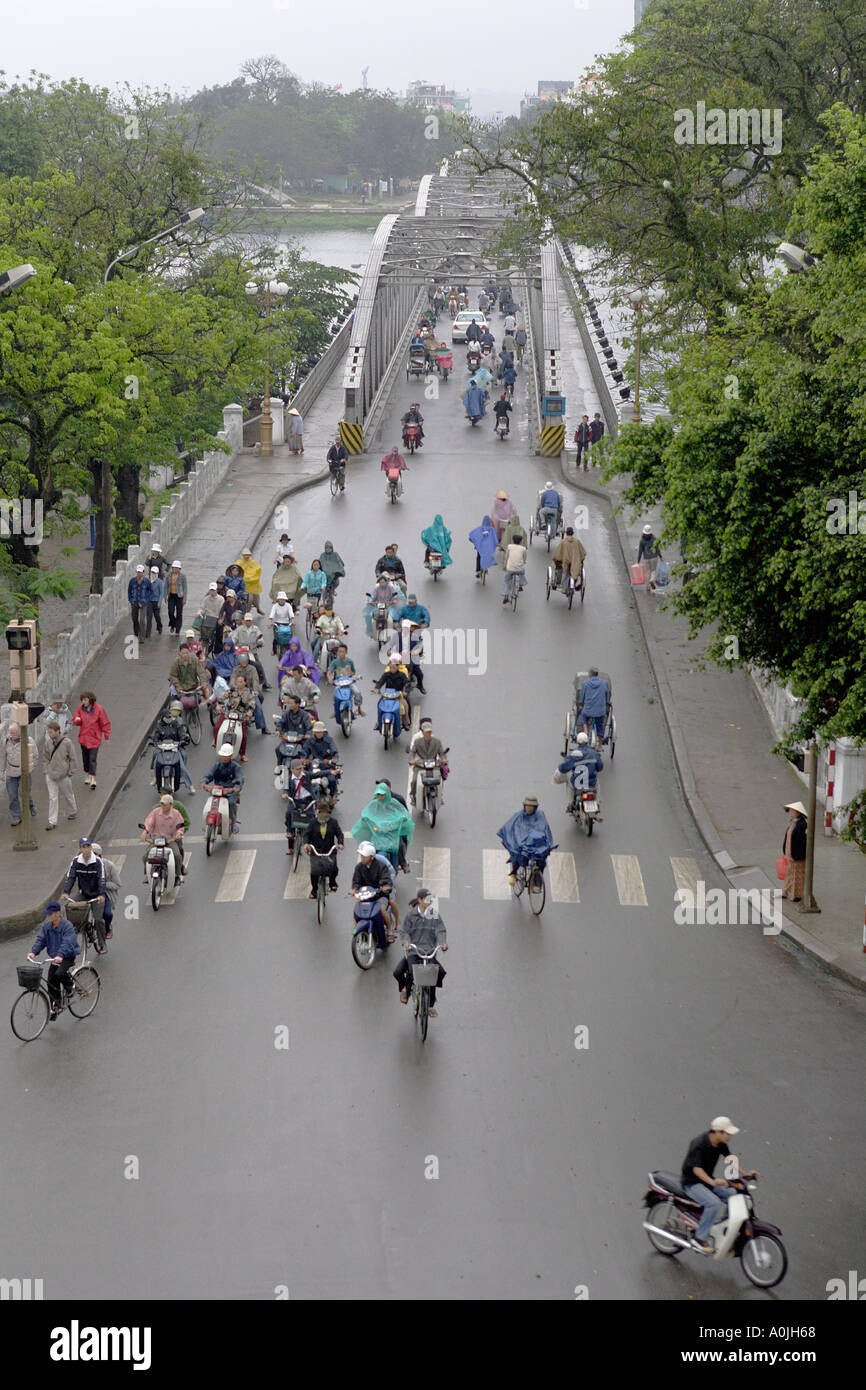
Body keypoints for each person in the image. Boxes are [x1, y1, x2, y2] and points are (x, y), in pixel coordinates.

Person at [681, 1118, 757, 1254]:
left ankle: (723, 1230)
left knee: (733, 1195)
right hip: (692, 1183)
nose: (730, 1136)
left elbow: (730, 1159)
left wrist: (746, 1174)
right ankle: (699, 1238)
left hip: (707, 1181)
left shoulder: (721, 1143)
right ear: (717, 1132)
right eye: (728, 1133)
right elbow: (696, 1170)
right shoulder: (699, 1144)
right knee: (713, 1203)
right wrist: (712, 1182)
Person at [394, 889, 448, 1014]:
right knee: (411, 973)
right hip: (414, 950)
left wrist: (442, 943)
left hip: (429, 951)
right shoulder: (410, 915)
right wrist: (406, 942)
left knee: (437, 973)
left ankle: (430, 1004)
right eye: (426, 899)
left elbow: (440, 930)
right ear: (419, 900)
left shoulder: (434, 914)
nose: (429, 901)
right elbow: (404, 931)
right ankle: (406, 992)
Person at [27, 903, 79, 1019]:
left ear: (57, 914)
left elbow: (67, 942)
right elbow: (41, 940)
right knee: (50, 980)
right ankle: (56, 1006)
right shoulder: (47, 927)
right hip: (55, 957)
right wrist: (33, 952)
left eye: (50, 914)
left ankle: (71, 986)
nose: (48, 917)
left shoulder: (67, 926)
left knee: (60, 973)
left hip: (67, 955)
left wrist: (61, 955)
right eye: (47, 915)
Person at [351, 782, 414, 872]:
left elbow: (403, 813)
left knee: (400, 844)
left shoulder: (394, 803)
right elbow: (367, 813)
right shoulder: (373, 804)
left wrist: (402, 819)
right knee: (369, 845)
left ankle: (403, 863)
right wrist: (365, 819)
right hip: (378, 832)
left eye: (382, 795)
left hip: (392, 832)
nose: (380, 797)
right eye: (378, 794)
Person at [61, 836, 107, 949]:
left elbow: (101, 879)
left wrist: (101, 894)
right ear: (80, 849)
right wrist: (66, 892)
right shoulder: (76, 861)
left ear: (91, 848)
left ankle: (102, 943)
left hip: (97, 895)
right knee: (71, 911)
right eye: (83, 847)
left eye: (88, 846)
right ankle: (69, 943)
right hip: (83, 893)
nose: (86, 849)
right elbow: (71, 877)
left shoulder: (97, 862)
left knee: (98, 919)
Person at [497, 797, 556, 885]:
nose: (529, 808)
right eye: (527, 806)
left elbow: (544, 828)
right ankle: (513, 874)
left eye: (531, 806)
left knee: (541, 860)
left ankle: (537, 883)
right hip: (522, 842)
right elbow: (516, 831)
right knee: (517, 853)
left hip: (537, 843)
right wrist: (521, 842)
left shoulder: (540, 815)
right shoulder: (519, 816)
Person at [351, 842, 395, 949]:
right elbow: (356, 882)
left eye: (364, 856)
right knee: (357, 911)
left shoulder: (381, 866)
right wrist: (354, 890)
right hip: (366, 896)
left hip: (380, 895)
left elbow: (387, 880)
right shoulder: (359, 868)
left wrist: (384, 888)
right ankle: (358, 929)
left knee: (382, 909)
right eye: (361, 856)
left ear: (371, 857)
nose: (362, 858)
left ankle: (389, 930)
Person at [141, 792, 187, 882]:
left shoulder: (176, 814)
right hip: (156, 840)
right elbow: (149, 822)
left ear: (171, 804)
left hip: (170, 841)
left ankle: (177, 875)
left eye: (165, 804)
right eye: (161, 803)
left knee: (177, 856)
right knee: (145, 856)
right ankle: (147, 874)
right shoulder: (155, 812)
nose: (162, 806)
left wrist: (179, 833)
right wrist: (144, 832)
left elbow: (180, 826)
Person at [149, 700, 194, 792]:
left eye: (169, 717)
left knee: (182, 764)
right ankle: (155, 776)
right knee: (155, 756)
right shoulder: (159, 726)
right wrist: (155, 742)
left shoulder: (177, 724)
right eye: (166, 717)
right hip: (162, 749)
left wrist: (183, 740)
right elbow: (156, 736)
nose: (168, 718)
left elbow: (182, 734)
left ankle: (190, 785)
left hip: (175, 748)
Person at [0, 720, 38, 825]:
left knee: (23, 792)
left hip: (24, 772)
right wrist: (2, 773)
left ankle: (31, 805)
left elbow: (35, 756)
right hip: (11, 772)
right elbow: (3, 757)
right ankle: (16, 816)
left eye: (14, 733)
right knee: (12, 795)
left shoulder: (28, 740)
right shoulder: (6, 741)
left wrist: (31, 768)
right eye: (10, 733)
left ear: (20, 732)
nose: (12, 736)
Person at [41, 719, 77, 829]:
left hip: (63, 775)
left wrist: (70, 772)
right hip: (51, 775)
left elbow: (73, 758)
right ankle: (52, 821)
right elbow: (45, 758)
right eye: (48, 732)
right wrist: (46, 771)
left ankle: (73, 811)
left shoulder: (67, 743)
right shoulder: (48, 743)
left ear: (58, 731)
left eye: (51, 732)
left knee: (68, 794)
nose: (49, 734)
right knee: (53, 798)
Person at [303, 801, 344, 895]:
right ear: (319, 812)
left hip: (329, 850)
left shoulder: (333, 822)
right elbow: (306, 834)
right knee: (314, 872)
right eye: (323, 812)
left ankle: (332, 882)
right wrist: (306, 844)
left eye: (327, 813)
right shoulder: (313, 822)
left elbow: (339, 834)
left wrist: (340, 843)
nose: (325, 814)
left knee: (334, 869)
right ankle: (314, 890)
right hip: (316, 850)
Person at [200, 744, 244, 832]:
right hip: (218, 789)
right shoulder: (217, 765)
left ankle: (233, 823)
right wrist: (204, 781)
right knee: (209, 803)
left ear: (230, 756)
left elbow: (239, 778)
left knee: (231, 803)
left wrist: (237, 786)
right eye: (222, 756)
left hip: (230, 790)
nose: (224, 758)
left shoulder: (236, 767)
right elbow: (210, 774)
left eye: (226, 756)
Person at [71, 691, 110, 790]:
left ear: (90, 699)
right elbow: (75, 719)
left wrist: (106, 736)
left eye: (85, 700)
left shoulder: (99, 709)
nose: (83, 702)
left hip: (94, 739)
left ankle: (93, 778)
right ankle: (88, 773)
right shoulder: (80, 708)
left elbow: (105, 723)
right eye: (82, 700)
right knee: (86, 759)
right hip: (84, 738)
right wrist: (77, 720)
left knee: (92, 758)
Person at [555, 732, 604, 811]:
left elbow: (563, 768)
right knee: (597, 783)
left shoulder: (574, 754)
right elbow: (600, 767)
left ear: (577, 742)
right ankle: (597, 803)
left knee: (569, 780)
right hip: (591, 783)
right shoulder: (594, 753)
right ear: (587, 741)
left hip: (577, 784)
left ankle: (570, 803)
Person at [408, 718, 447, 807]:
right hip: (420, 765)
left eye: (430, 732)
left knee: (440, 779)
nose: (428, 734)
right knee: (414, 781)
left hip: (433, 765)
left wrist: (443, 759)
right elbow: (412, 752)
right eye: (426, 732)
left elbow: (441, 753)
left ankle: (440, 795)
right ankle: (413, 795)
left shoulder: (437, 742)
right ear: (422, 731)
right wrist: (411, 760)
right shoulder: (417, 742)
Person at [214, 680, 256, 760]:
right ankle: (216, 741)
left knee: (243, 736)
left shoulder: (249, 693)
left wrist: (250, 712)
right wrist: (219, 705)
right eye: (238, 682)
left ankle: (242, 754)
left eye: (241, 682)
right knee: (217, 728)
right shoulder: (232, 690)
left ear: (245, 682)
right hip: (228, 712)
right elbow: (222, 697)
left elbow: (252, 703)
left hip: (241, 715)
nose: (239, 683)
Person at [282, 757, 315, 853]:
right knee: (289, 814)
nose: (300, 771)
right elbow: (286, 789)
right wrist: (285, 794)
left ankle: (312, 844)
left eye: (301, 769)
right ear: (291, 769)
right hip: (295, 801)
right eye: (297, 769)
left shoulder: (306, 775)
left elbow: (317, 774)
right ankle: (290, 841)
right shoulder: (288, 779)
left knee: (312, 818)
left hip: (307, 801)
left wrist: (331, 772)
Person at [373, 653, 411, 732]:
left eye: (394, 666)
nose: (392, 668)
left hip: (398, 695)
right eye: (391, 666)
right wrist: (377, 688)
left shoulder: (402, 675)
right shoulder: (386, 674)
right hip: (387, 695)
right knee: (379, 704)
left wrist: (405, 691)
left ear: (398, 666)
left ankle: (406, 722)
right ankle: (378, 722)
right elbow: (380, 681)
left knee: (405, 705)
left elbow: (407, 683)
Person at [90, 843, 122, 936]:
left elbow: (117, 884)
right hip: (89, 893)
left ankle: (107, 928)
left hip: (105, 894)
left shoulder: (109, 866)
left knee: (107, 914)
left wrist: (103, 884)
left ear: (99, 855)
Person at [301, 720, 341, 797]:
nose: (319, 733)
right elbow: (304, 751)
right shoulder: (310, 741)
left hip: (327, 765)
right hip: (314, 765)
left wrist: (335, 758)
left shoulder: (329, 740)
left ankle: (332, 796)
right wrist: (303, 758)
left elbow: (334, 749)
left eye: (320, 732)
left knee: (331, 780)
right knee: (305, 779)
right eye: (317, 732)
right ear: (314, 732)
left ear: (323, 732)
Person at [326, 643, 365, 718]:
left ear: (346, 652)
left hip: (349, 683)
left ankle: (359, 709)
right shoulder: (335, 662)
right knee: (334, 696)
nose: (340, 653)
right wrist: (330, 679)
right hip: (339, 684)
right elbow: (329, 672)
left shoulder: (350, 661)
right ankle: (335, 711)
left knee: (357, 692)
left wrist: (349, 675)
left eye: (342, 651)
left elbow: (353, 672)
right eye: (339, 651)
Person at [782, 800, 808, 902]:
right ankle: (786, 891)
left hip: (797, 855)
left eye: (791, 811)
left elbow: (803, 841)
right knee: (789, 873)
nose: (790, 813)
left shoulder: (803, 824)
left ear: (798, 812)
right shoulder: (793, 823)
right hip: (790, 853)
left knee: (797, 875)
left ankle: (796, 895)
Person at [578, 668, 611, 743]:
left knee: (583, 717)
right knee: (600, 725)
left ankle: (585, 732)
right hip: (600, 711)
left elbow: (582, 697)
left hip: (588, 710)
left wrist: (582, 703)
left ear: (590, 674)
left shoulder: (585, 683)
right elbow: (607, 696)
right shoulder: (604, 683)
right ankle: (599, 745)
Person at [500, 531, 527, 604]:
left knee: (506, 581)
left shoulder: (509, 546)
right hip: (519, 569)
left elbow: (506, 556)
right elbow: (524, 558)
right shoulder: (523, 548)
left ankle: (506, 596)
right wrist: (524, 562)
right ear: (520, 541)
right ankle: (521, 584)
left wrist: (505, 564)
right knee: (522, 573)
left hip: (510, 569)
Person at [236, 548, 264, 615]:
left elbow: (258, 572)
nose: (246, 556)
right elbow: (237, 573)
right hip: (244, 586)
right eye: (245, 555)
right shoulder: (238, 563)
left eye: (248, 555)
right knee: (249, 599)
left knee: (257, 598)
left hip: (253, 585)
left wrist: (251, 578)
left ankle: (258, 608)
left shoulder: (254, 563)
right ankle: (247, 612)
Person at [127, 565, 152, 640]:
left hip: (143, 602)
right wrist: (130, 600)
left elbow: (150, 591)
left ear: (143, 572)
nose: (139, 574)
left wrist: (146, 600)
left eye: (140, 572)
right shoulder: (132, 581)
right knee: (134, 618)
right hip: (134, 602)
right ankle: (136, 632)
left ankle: (142, 636)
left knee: (142, 619)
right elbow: (129, 591)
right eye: (138, 572)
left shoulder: (147, 581)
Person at [637, 524, 663, 591]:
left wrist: (638, 561)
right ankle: (652, 580)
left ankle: (647, 586)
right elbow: (657, 549)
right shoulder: (654, 539)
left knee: (647, 572)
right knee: (653, 571)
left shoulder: (642, 540)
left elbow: (640, 551)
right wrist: (660, 556)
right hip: (654, 557)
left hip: (646, 558)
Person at [165, 560, 187, 634]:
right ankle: (173, 624)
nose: (175, 569)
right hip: (171, 595)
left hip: (179, 596)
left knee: (179, 613)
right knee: (170, 611)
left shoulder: (182, 576)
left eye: (177, 568)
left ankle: (178, 629)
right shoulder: (168, 576)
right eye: (174, 568)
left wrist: (184, 598)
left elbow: (185, 588)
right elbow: (166, 586)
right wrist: (165, 596)